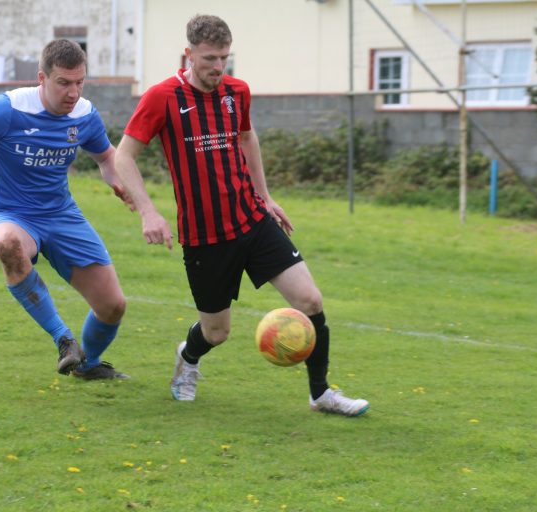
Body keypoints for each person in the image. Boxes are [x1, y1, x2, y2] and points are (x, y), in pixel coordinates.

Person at [111, 15, 369, 416]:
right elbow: (123, 155)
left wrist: (264, 197)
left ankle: (321, 394)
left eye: (225, 58)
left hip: (251, 220)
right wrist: (148, 212)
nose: (219, 68)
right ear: (189, 54)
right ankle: (188, 357)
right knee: (217, 332)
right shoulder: (162, 97)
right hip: (204, 236)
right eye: (210, 58)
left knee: (311, 300)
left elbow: (248, 138)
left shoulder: (237, 91)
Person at [0, 39, 131, 380]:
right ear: (42, 78)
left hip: (61, 215)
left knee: (113, 306)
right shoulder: (9, 108)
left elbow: (106, 156)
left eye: (79, 82)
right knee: (7, 245)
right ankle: (63, 339)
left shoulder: (85, 114)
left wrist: (121, 181)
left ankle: (88, 365)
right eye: (64, 82)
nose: (73, 92)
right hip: (10, 214)